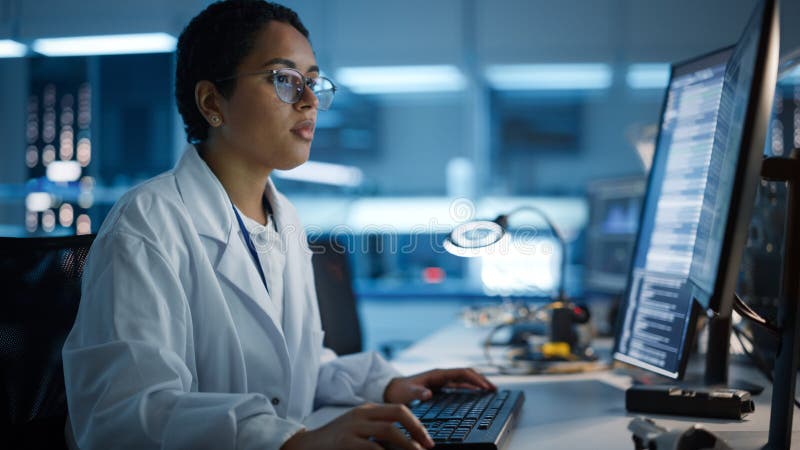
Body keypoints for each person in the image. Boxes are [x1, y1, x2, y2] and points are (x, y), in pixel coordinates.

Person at [62, 1, 496, 449]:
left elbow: (294, 371)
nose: (310, 101)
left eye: (312, 82)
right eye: (285, 80)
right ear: (213, 102)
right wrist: (290, 442)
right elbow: (123, 415)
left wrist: (392, 386)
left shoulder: (284, 216)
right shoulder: (148, 224)